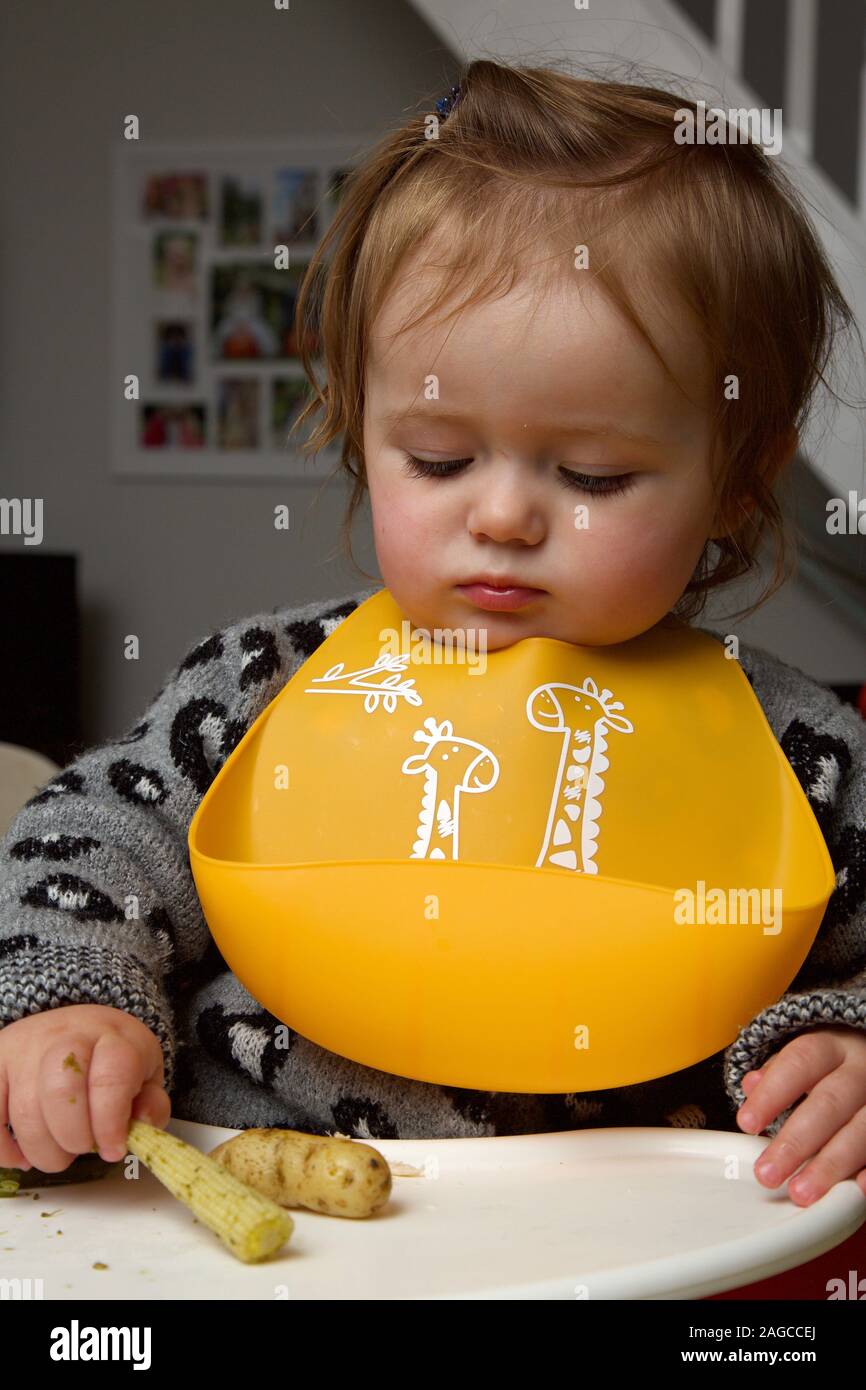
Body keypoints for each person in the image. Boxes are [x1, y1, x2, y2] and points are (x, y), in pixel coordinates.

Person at [2, 62, 865, 1211]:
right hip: (273, 1219)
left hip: (618, 1246)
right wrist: (77, 996)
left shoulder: (797, 754)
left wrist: (846, 1051)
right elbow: (90, 829)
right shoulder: (264, 682)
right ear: (361, 432)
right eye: (439, 459)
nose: (500, 516)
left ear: (734, 486)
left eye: (593, 474)